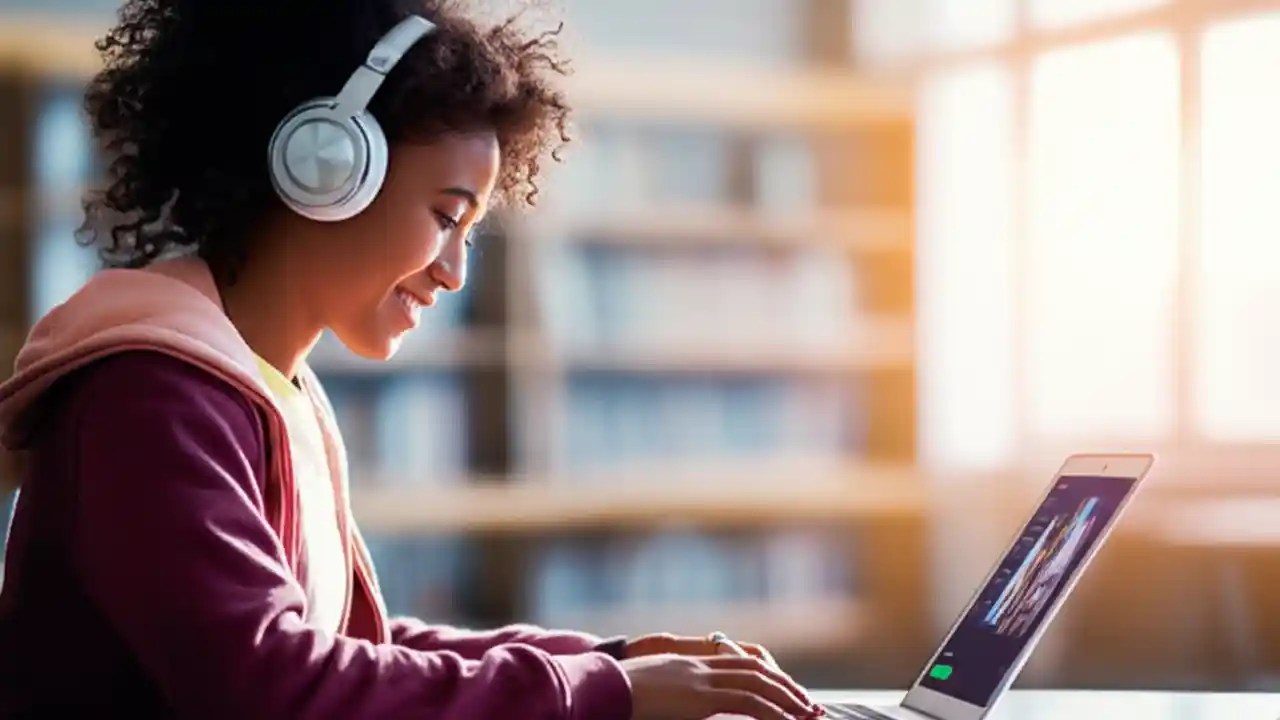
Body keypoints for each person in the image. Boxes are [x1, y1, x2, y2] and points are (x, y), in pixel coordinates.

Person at [0, 1, 825, 719]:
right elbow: (274, 686)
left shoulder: (267, 388)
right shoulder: (152, 394)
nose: (454, 271)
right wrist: (600, 693)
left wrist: (609, 662)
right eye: (445, 215)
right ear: (327, 167)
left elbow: (349, 646)